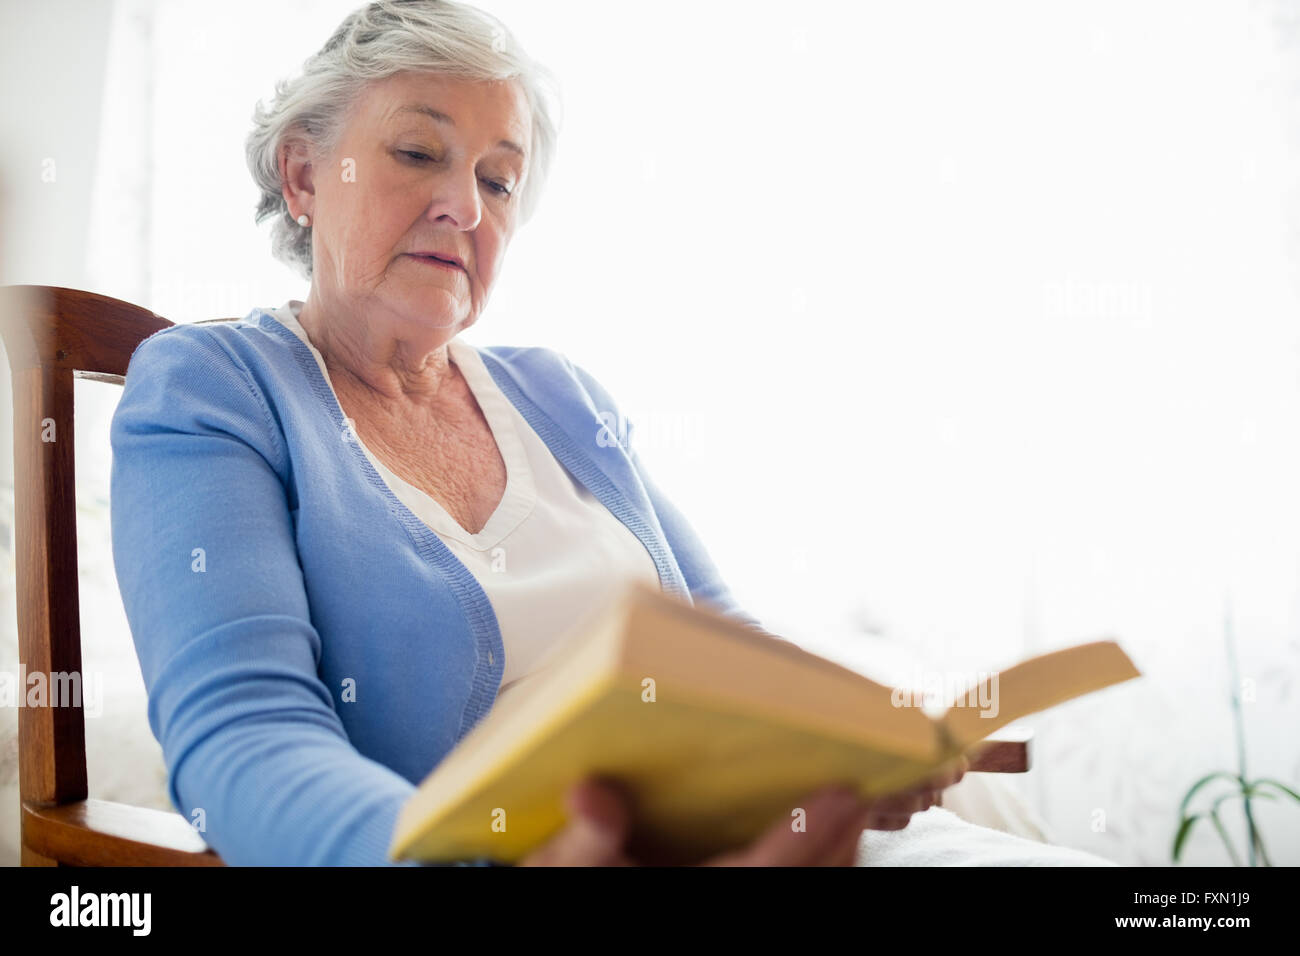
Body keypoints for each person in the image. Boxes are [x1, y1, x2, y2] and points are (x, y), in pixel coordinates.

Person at [109, 0, 1090, 866]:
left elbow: (723, 639)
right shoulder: (214, 388)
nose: (464, 206)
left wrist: (844, 752)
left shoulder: (557, 392)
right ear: (303, 174)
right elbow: (244, 738)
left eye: (499, 180)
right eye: (418, 153)